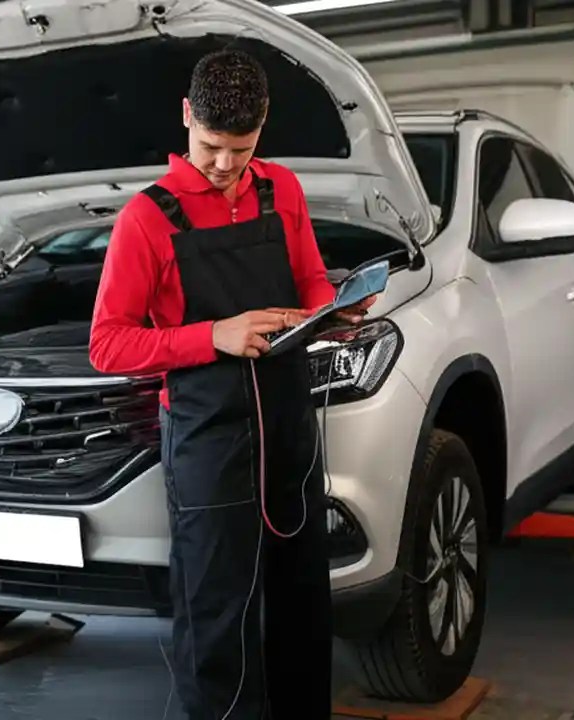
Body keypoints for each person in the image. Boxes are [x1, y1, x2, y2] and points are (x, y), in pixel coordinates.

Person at [88, 48, 376, 719]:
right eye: (211, 145)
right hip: (208, 443)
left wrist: (332, 310)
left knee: (303, 598)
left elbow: (308, 279)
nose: (224, 165)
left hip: (287, 431)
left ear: (263, 126)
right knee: (218, 615)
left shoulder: (283, 191)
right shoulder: (147, 220)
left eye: (240, 149)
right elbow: (107, 345)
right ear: (187, 117)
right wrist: (211, 335)